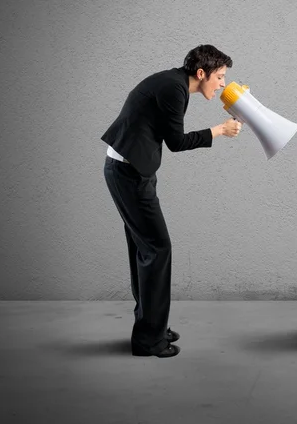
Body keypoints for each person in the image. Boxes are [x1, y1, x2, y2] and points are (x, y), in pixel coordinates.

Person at [101, 44, 242, 358]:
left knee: (145, 249)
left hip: (131, 170)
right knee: (157, 249)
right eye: (219, 77)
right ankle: (149, 341)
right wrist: (219, 130)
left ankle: (153, 325)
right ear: (201, 73)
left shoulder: (174, 83)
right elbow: (176, 143)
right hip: (128, 174)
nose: (222, 84)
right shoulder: (174, 89)